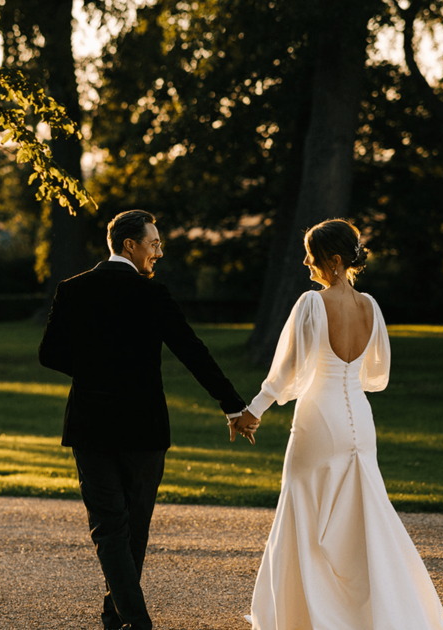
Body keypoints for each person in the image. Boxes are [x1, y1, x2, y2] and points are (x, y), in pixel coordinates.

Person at [39, 209, 259, 630]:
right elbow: (192, 351)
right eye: (154, 244)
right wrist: (232, 405)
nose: (159, 252)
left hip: (91, 423)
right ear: (130, 245)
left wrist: (93, 371)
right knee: (133, 527)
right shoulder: (151, 294)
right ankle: (137, 622)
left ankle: (115, 617)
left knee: (109, 528)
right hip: (144, 427)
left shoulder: (72, 290)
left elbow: (49, 355)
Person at [244, 219, 443, 630]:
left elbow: (286, 370)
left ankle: (305, 618)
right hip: (359, 419)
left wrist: (255, 409)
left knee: (303, 511)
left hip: (319, 420)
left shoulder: (312, 303)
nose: (306, 262)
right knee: (364, 520)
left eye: (312, 255)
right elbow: (376, 376)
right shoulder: (370, 306)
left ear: (335, 261)